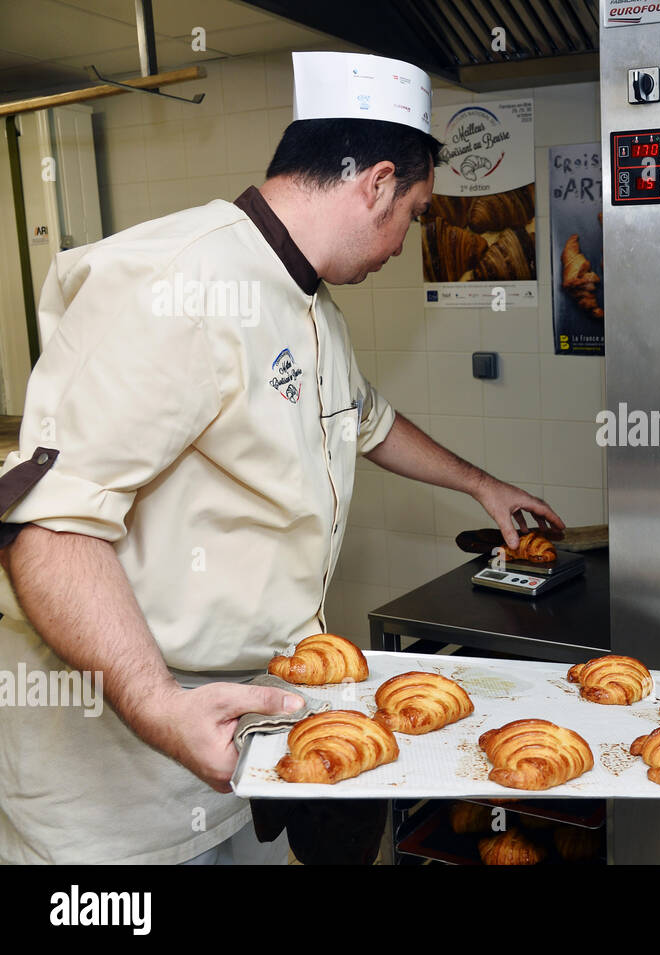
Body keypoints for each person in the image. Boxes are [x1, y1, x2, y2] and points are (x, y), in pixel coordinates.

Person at [0, 53, 562, 863]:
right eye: (414, 211)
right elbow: (48, 527)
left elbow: (370, 421)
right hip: (115, 790)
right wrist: (158, 703)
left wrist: (481, 484)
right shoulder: (176, 283)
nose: (408, 240)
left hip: (242, 745)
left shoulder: (308, 304)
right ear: (372, 183)